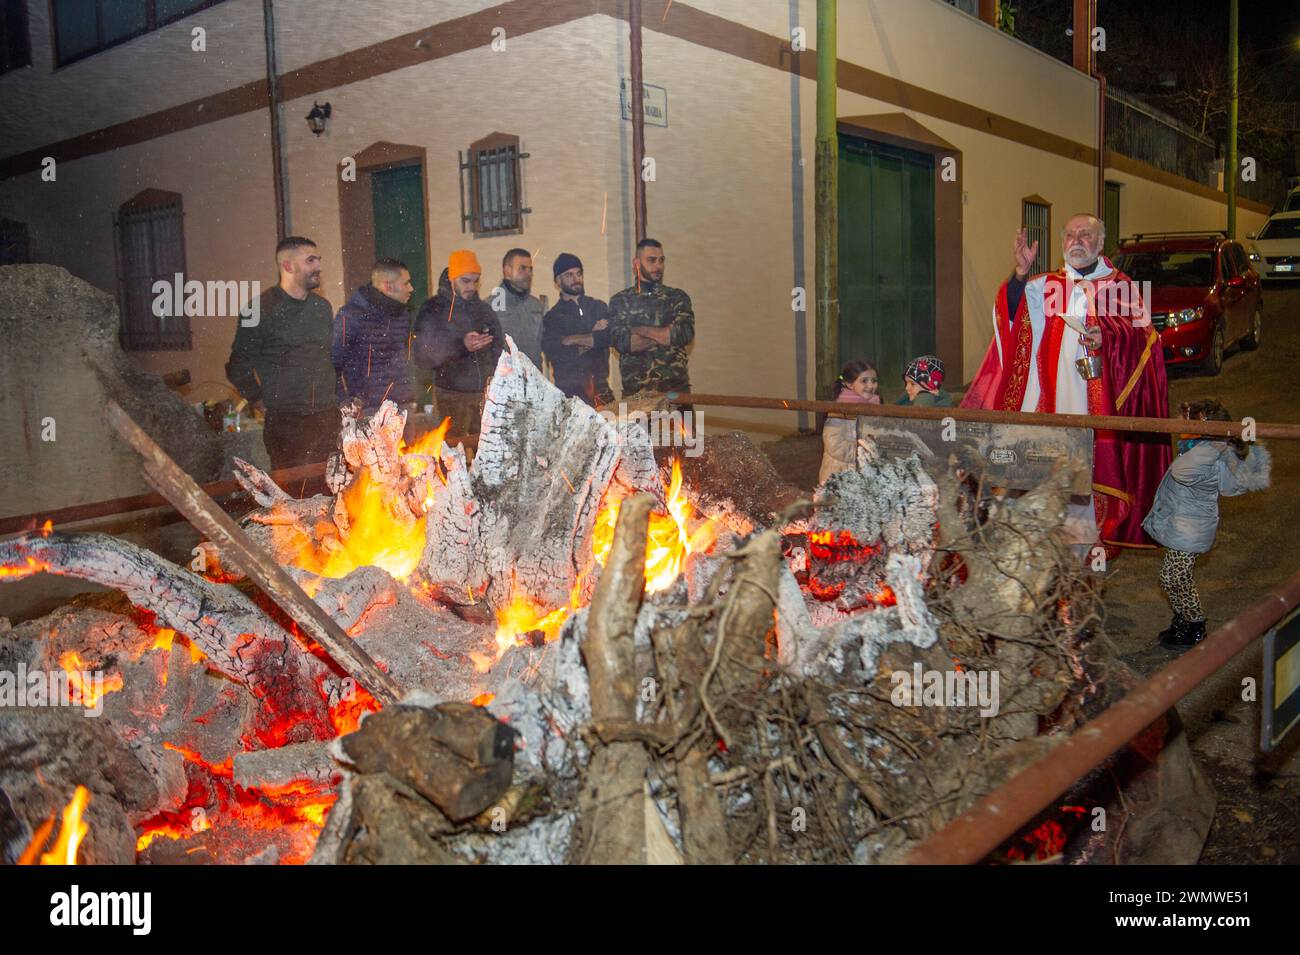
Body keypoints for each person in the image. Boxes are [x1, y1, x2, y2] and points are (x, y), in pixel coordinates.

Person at [961, 213, 1170, 551]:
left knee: (1079, 484)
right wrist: (1018, 275)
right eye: (1070, 234)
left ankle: (1078, 560)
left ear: (1100, 243)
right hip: (1043, 398)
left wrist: (1108, 337)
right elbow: (1012, 316)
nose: (1077, 240)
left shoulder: (1121, 286)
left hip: (1092, 401)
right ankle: (1029, 550)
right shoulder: (1044, 285)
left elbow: (1146, 341)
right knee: (1034, 479)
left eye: (1085, 234)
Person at [1142, 399, 1271, 648]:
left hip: (1190, 529)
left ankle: (1195, 625)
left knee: (1175, 578)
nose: (1180, 423)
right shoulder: (1202, 449)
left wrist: (1214, 444)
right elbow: (1227, 485)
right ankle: (1183, 620)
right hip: (1183, 525)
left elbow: (1182, 472)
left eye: (1188, 419)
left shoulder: (1208, 451)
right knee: (1173, 578)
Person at [226, 235, 340, 470]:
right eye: (310, 261)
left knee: (330, 497)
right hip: (287, 425)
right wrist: (258, 399)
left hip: (326, 419)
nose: (318, 266)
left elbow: (328, 359)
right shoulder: (258, 310)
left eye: (318, 259)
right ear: (288, 266)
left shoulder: (322, 308)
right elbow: (237, 366)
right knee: (293, 500)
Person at [412, 251, 503, 434]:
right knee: (452, 454)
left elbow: (498, 347)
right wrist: (461, 346)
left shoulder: (484, 310)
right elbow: (422, 355)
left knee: (486, 456)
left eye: (476, 281)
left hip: (483, 396)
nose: (472, 286)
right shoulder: (433, 309)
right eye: (465, 281)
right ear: (452, 278)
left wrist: (495, 379)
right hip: (450, 397)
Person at [608, 238, 694, 397]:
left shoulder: (677, 297)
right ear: (636, 263)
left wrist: (639, 329)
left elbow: (685, 334)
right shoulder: (620, 301)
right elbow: (623, 342)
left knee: (684, 423)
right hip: (636, 395)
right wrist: (665, 334)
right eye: (651, 260)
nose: (658, 266)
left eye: (661, 261)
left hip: (676, 394)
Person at [332, 258, 416, 413]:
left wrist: (409, 396)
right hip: (368, 411)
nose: (411, 288)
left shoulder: (402, 314)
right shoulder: (350, 316)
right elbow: (333, 364)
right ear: (388, 286)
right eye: (406, 283)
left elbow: (404, 359)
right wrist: (345, 402)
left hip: (402, 407)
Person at [541, 252, 614, 408]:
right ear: (557, 281)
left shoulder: (598, 307)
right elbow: (557, 354)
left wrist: (570, 339)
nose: (576, 279)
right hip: (570, 396)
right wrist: (592, 334)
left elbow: (607, 338)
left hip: (601, 391)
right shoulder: (552, 318)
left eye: (579, 273)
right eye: (569, 275)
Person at [819, 359, 880, 484]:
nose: (870, 385)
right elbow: (834, 444)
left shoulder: (875, 406)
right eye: (864, 381)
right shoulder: (839, 409)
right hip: (839, 476)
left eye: (874, 380)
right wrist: (863, 452)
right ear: (849, 384)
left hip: (864, 473)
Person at [492, 248, 545, 370]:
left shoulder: (536, 306)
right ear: (507, 271)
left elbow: (545, 344)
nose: (528, 274)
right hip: (505, 382)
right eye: (522, 268)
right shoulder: (491, 306)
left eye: (530, 269)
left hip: (533, 381)